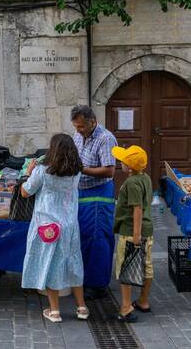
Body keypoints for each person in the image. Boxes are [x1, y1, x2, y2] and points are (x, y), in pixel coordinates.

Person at [20, 134, 89, 323]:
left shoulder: (43, 171)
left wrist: (28, 171)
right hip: (70, 224)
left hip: (48, 225)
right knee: (74, 262)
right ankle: (82, 307)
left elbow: (26, 191)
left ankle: (55, 310)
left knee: (50, 264)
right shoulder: (76, 172)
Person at [71, 105, 118, 300]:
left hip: (99, 195)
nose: (78, 130)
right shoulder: (77, 136)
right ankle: (85, 279)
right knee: (83, 237)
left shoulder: (106, 139)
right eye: (76, 126)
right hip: (80, 193)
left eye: (81, 126)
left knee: (98, 238)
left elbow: (109, 170)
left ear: (93, 121)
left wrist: (83, 169)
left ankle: (98, 284)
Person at [111, 145, 153, 323]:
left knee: (125, 269)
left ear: (129, 166)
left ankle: (126, 307)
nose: (120, 162)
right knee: (146, 266)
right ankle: (143, 301)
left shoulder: (131, 183)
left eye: (123, 160)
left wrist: (135, 236)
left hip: (130, 231)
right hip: (147, 230)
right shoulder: (145, 178)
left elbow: (137, 209)